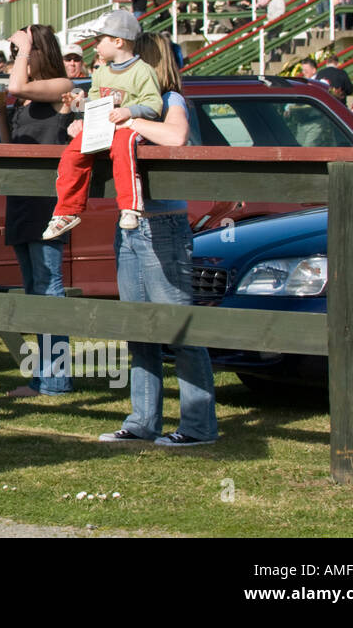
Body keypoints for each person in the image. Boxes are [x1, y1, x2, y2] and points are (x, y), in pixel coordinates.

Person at [99, 32, 217, 446]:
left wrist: (129, 118)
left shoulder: (171, 100)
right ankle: (142, 421)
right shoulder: (132, 99)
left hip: (162, 223)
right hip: (130, 222)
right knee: (139, 326)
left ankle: (199, 425)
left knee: (178, 327)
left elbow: (176, 137)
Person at [0, 25, 75, 397]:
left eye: (22, 50)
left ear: (39, 50)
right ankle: (44, 377)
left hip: (48, 201)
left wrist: (24, 46)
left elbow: (18, 85)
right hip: (21, 200)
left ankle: (57, 379)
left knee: (50, 287)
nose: (15, 57)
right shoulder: (21, 101)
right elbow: (11, 147)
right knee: (33, 289)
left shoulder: (60, 87)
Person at [43, 10, 162, 240]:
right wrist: (80, 106)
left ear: (118, 41)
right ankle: (67, 211)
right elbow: (95, 104)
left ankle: (130, 207)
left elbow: (153, 105)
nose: (95, 46)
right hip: (102, 128)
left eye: (99, 41)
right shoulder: (101, 73)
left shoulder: (142, 71)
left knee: (122, 147)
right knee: (72, 153)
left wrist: (129, 111)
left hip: (130, 128)